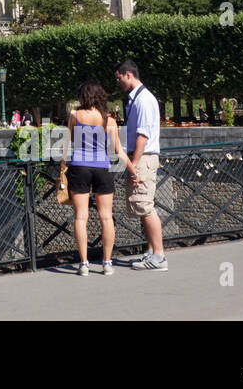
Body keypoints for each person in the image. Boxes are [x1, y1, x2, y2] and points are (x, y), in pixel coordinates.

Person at [60, 81, 126, 276]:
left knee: (81, 217)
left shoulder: (74, 115)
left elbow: (68, 143)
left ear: (83, 97)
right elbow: (118, 150)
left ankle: (84, 264)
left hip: (80, 166)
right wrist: (133, 170)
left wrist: (62, 166)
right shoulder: (109, 119)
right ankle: (107, 262)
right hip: (102, 167)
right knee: (106, 216)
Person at [116, 59, 165, 271]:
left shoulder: (143, 100)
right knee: (143, 205)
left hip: (143, 158)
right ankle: (153, 251)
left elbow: (143, 135)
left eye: (118, 78)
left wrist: (133, 165)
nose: (117, 83)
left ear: (128, 74)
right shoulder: (138, 99)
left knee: (145, 207)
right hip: (142, 157)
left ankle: (159, 256)